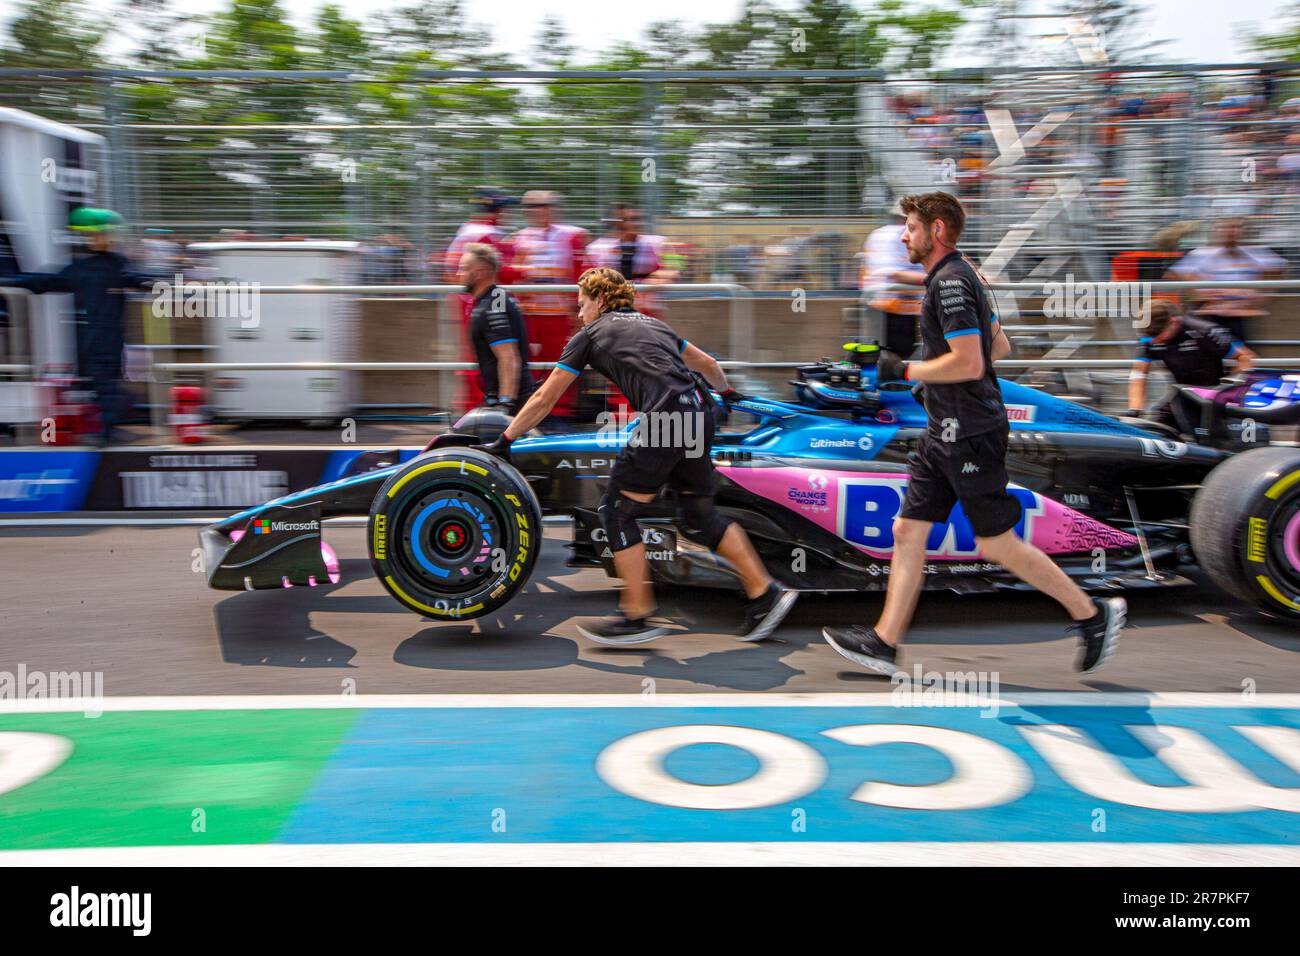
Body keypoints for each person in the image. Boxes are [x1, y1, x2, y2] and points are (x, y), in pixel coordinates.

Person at [822, 192, 1126, 675]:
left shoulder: (951, 284)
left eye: (912, 227)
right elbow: (999, 344)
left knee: (996, 543)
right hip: (943, 430)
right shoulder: (961, 278)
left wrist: (903, 369)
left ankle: (1093, 613)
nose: (904, 235)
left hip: (969, 433)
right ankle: (883, 642)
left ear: (937, 230)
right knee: (907, 530)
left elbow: (972, 361)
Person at [479, 266, 797, 645]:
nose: (579, 313)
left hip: (665, 421)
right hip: (700, 412)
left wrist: (505, 438)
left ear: (599, 301)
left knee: (616, 511)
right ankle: (766, 593)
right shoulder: (654, 324)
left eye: (581, 304)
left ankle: (636, 614)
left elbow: (546, 397)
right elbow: (709, 366)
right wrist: (727, 395)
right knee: (699, 514)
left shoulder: (590, 335)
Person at [0, 208, 158, 445]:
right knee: (103, 384)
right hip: (94, 337)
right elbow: (48, 281)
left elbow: (139, 279)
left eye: (100, 236)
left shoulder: (115, 265)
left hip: (109, 336)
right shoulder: (86, 266)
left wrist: (158, 283)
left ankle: (109, 429)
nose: (96, 241)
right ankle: (106, 432)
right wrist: (12, 280)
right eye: (93, 237)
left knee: (109, 383)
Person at [510, 190, 590, 419]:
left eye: (543, 205)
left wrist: (577, 311)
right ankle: (531, 412)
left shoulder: (572, 235)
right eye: (530, 206)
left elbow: (583, 270)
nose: (537, 211)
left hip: (560, 315)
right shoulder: (519, 237)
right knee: (532, 365)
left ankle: (559, 413)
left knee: (562, 363)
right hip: (529, 315)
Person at [1127, 299, 1255, 436]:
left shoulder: (1205, 331)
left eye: (1157, 336)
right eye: (1149, 338)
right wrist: (1135, 409)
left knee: (1208, 438)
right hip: (1182, 395)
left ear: (1174, 322)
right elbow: (1139, 374)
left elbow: (1245, 358)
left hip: (1213, 397)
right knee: (1153, 434)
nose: (1153, 341)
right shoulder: (1149, 337)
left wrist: (1229, 390)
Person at [444, 188, 521, 411]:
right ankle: (477, 411)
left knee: (473, 354)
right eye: (505, 209)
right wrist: (525, 270)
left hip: (465, 298)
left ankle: (470, 408)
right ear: (496, 210)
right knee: (485, 355)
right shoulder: (487, 234)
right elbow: (499, 270)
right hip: (476, 299)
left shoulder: (467, 229)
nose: (507, 214)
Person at [1166, 217, 1286, 345]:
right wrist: (1197, 294)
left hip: (1240, 318)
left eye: (1236, 227)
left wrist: (1263, 296)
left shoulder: (1255, 252)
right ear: (1216, 230)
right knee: (1215, 354)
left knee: (1241, 354)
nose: (1231, 231)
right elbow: (1173, 275)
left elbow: (1278, 268)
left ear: (1243, 231)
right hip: (1211, 316)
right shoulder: (1202, 254)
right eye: (1225, 227)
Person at [458, 242, 534, 414]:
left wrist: (505, 404)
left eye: (463, 268)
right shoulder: (491, 298)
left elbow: (508, 358)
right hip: (500, 399)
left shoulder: (493, 305)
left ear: (480, 273)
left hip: (512, 403)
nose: (458, 274)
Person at [861, 200, 926, 356]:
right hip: (887, 311)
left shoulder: (906, 235)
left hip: (903, 310)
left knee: (901, 357)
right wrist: (939, 278)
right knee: (891, 359)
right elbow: (895, 274)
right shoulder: (891, 235)